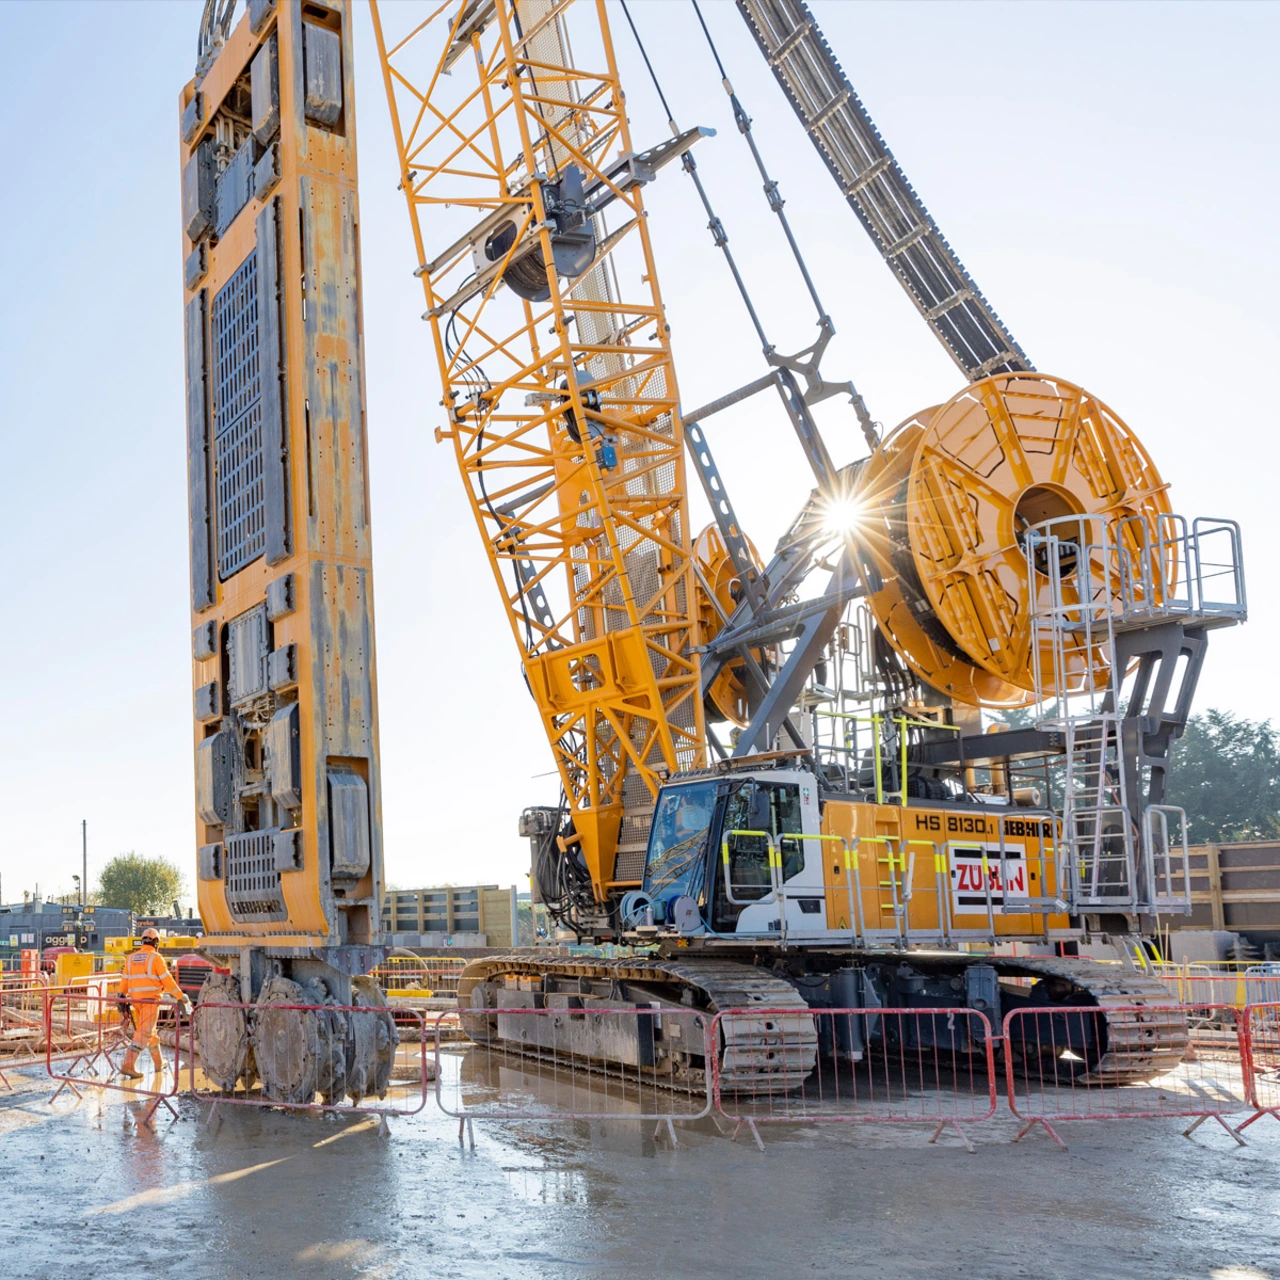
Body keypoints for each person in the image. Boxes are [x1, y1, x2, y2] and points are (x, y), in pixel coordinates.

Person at [117, 928, 191, 1079]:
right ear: (156, 942)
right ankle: (128, 1064)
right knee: (144, 1033)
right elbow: (167, 980)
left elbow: (125, 980)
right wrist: (180, 996)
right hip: (150, 1001)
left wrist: (121, 996)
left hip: (135, 1001)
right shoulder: (155, 958)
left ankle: (159, 1063)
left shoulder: (131, 958)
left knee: (151, 1033)